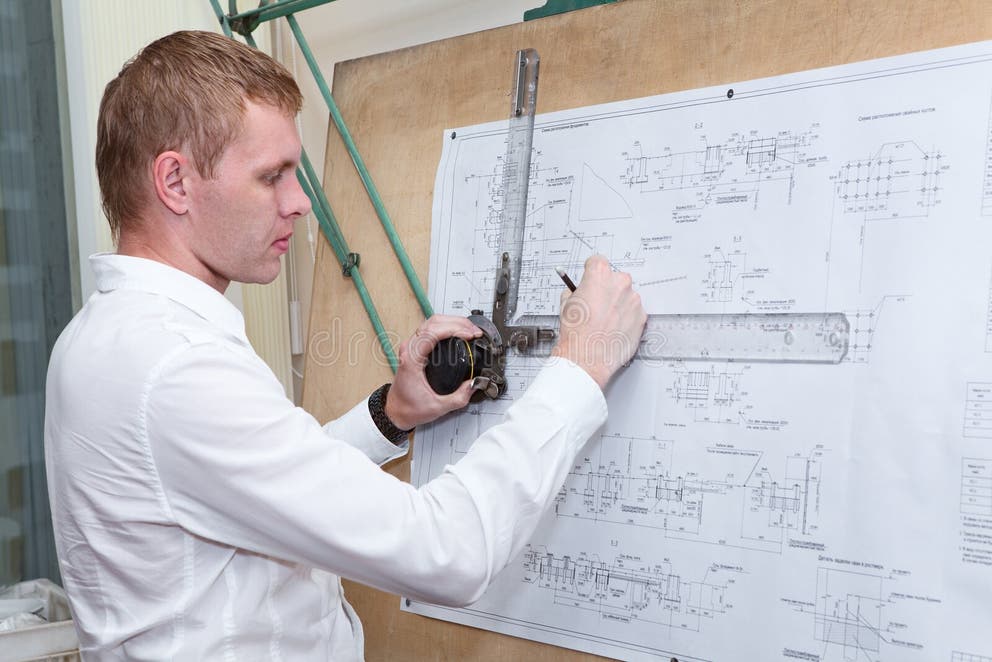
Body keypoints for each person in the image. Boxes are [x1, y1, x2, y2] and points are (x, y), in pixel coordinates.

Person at [44, 30, 646, 660]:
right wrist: (580, 366)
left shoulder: (100, 338)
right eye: (271, 176)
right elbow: (448, 551)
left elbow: (256, 486)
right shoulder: (176, 367)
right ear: (175, 182)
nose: (300, 202)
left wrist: (392, 414)